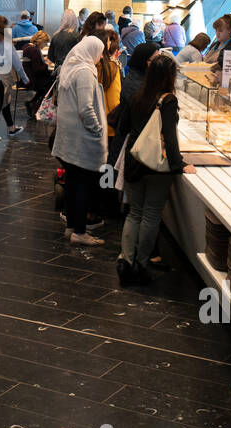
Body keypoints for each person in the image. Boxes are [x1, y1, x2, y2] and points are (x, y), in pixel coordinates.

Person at [115, 56, 195, 284]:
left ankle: (126, 261)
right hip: (156, 167)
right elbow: (170, 138)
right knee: (150, 215)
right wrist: (179, 165)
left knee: (134, 213)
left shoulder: (135, 97)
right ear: (170, 77)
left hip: (134, 161)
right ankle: (140, 265)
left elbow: (123, 128)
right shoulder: (168, 101)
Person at [54, 36, 108, 247]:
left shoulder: (71, 68)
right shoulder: (85, 72)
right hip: (82, 140)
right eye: (100, 51)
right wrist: (98, 129)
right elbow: (86, 108)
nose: (101, 56)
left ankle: (71, 228)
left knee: (72, 184)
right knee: (83, 186)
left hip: (68, 139)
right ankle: (80, 231)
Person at [0, 15, 29, 141]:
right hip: (4, 80)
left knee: (4, 103)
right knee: (0, 104)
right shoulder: (7, 43)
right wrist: (25, 78)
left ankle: (11, 128)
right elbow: (17, 63)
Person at [22, 30, 54, 115]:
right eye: (45, 43)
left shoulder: (26, 46)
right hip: (32, 79)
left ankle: (34, 103)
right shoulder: (34, 51)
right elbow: (38, 69)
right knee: (51, 84)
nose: (46, 45)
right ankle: (37, 105)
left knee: (47, 84)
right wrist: (47, 64)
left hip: (26, 77)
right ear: (41, 41)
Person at [99, 28, 122, 137]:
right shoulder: (112, 68)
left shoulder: (94, 64)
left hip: (93, 121)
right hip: (108, 124)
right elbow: (114, 100)